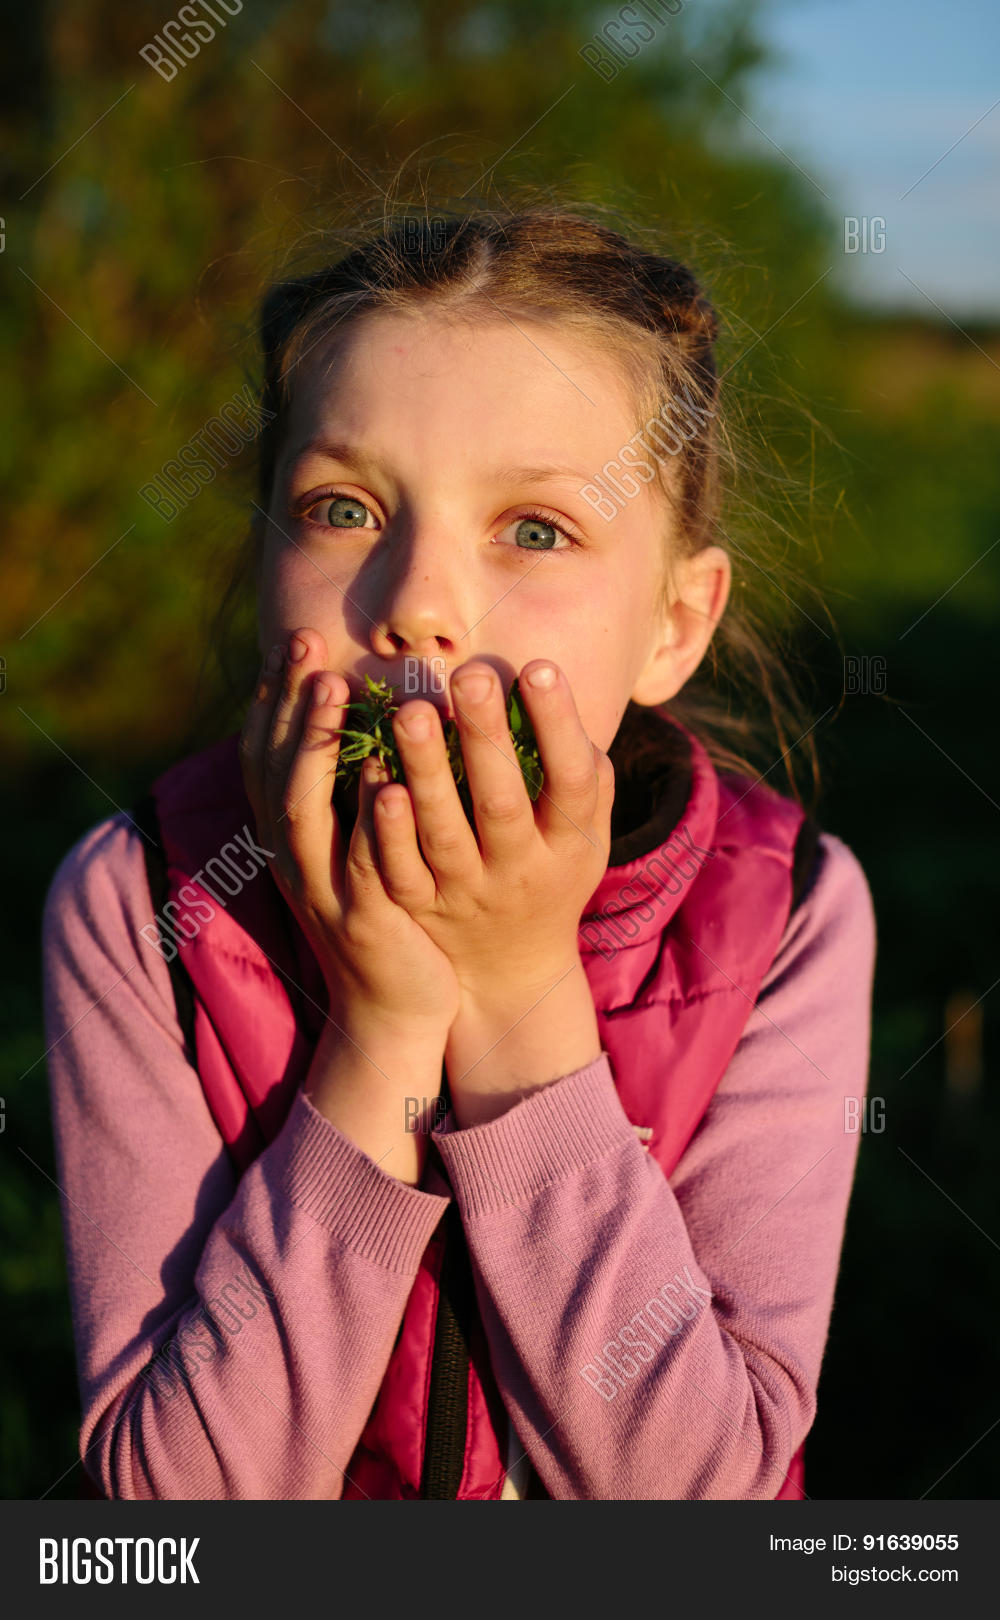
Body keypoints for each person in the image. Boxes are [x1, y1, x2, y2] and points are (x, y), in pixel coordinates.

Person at [42, 207, 876, 1500]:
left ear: (675, 621)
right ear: (264, 556)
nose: (419, 605)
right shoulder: (140, 896)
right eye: (342, 507)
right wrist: (377, 1039)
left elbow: (701, 1503)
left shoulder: (786, 916)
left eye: (536, 529)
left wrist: (523, 999)